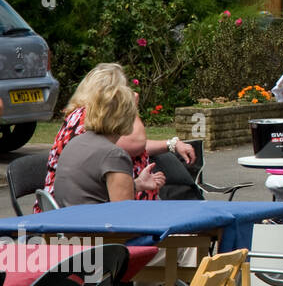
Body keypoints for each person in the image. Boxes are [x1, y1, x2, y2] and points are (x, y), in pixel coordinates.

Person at [44, 63, 188, 203]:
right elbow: (122, 218)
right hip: (96, 224)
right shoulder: (114, 155)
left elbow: (94, 192)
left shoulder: (78, 140)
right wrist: (133, 108)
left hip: (69, 220)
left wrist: (137, 184)